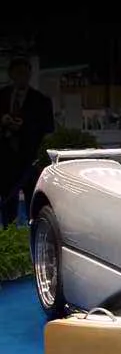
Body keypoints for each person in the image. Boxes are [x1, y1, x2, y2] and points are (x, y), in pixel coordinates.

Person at [0, 55, 55, 227]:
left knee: (33, 203)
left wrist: (24, 126)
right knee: (7, 204)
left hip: (30, 160)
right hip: (5, 160)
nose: (22, 77)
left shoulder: (41, 100)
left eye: (25, 73)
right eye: (18, 73)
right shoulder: (1, 96)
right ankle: (9, 234)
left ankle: (34, 234)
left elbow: (48, 128)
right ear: (11, 75)